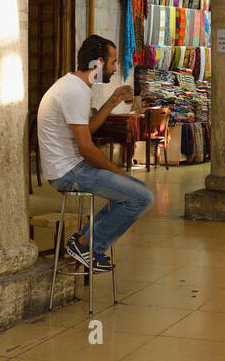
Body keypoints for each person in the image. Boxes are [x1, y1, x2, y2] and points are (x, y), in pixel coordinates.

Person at [37, 35, 154, 270]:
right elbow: (86, 147)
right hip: (67, 172)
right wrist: (116, 173)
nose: (114, 69)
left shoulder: (75, 85)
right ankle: (88, 245)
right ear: (98, 63)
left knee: (133, 193)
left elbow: (86, 130)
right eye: (112, 63)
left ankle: (83, 242)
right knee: (141, 197)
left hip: (71, 166)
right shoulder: (74, 91)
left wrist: (112, 102)